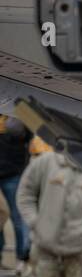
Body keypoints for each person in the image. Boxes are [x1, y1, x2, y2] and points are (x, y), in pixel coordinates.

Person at [0, 113, 32, 267]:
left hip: (12, 173)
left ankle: (23, 256)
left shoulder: (14, 113)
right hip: (10, 171)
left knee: (18, 217)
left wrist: (15, 123)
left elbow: (28, 133)